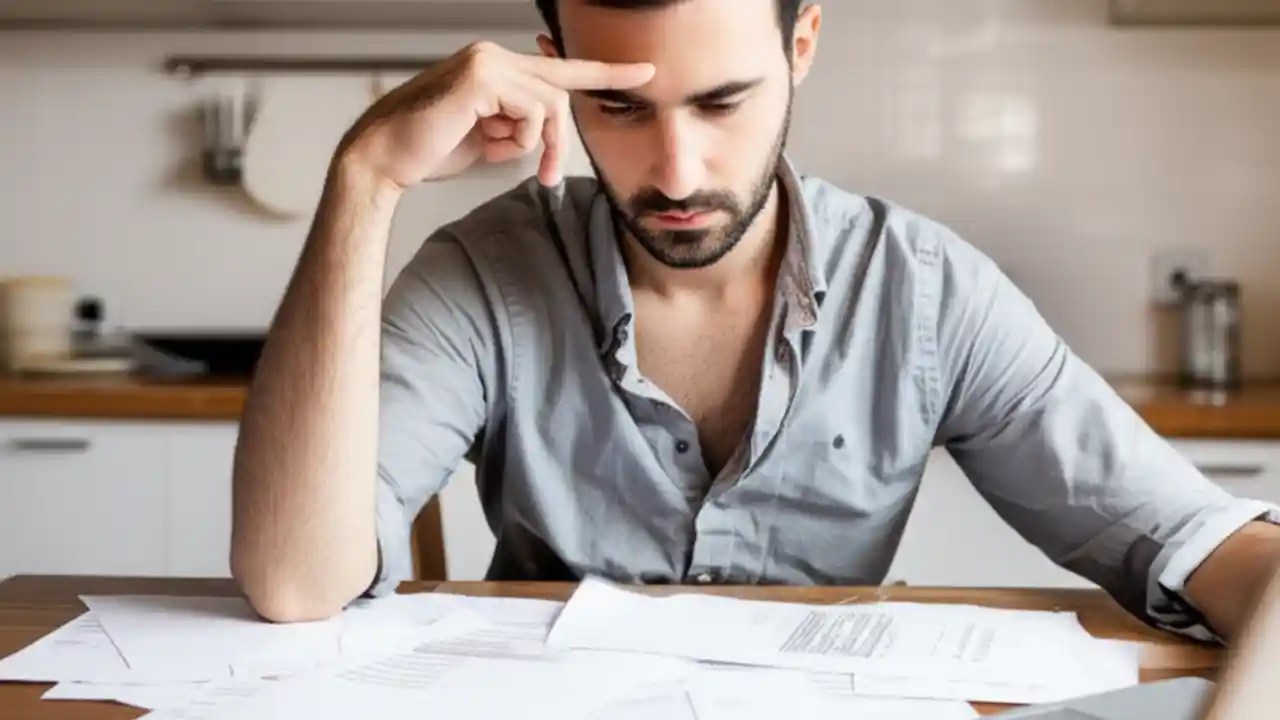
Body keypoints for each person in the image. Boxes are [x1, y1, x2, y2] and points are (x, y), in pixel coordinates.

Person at [229, 0, 1280, 653]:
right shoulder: (484, 274)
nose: (676, 175)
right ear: (553, 70)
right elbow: (293, 582)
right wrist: (366, 176)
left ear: (803, 41)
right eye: (622, 110)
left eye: (721, 102)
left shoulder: (925, 291)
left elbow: (1207, 549)